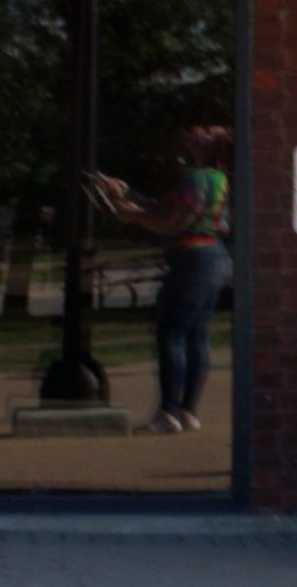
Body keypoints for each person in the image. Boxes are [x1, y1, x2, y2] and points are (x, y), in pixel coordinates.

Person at [92, 126, 231, 434]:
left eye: (206, 131)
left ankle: (168, 412)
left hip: (191, 258)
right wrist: (128, 192)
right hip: (215, 257)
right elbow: (167, 208)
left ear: (212, 145)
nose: (195, 131)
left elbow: (168, 223)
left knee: (171, 334)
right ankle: (188, 411)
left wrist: (132, 214)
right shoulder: (218, 178)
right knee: (197, 337)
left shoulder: (194, 178)